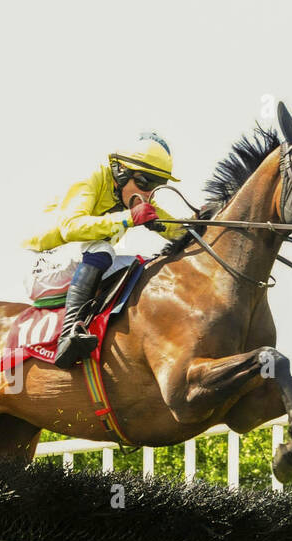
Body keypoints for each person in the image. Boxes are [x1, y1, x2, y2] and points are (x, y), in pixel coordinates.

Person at [24, 132, 188, 368]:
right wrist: (128, 218)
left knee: (145, 265)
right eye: (144, 182)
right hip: (44, 264)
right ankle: (68, 336)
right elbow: (70, 228)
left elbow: (176, 230)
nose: (147, 194)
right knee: (103, 249)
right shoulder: (90, 178)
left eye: (156, 186)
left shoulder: (132, 195)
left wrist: (204, 220)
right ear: (121, 171)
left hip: (81, 261)